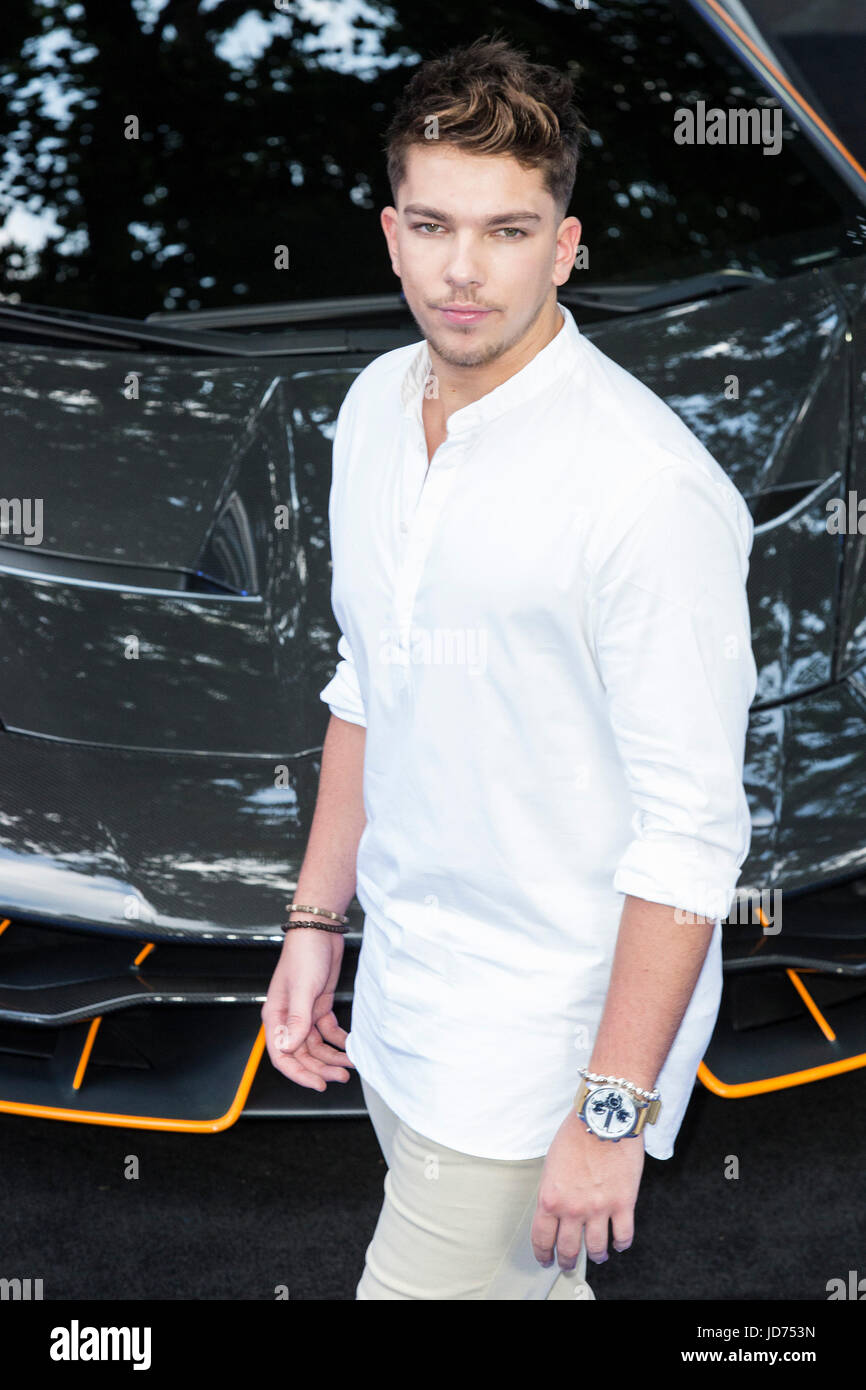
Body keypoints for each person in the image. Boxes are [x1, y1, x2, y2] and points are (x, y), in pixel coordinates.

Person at [262, 33, 757, 1300]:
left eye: (507, 230)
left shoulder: (645, 491)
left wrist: (607, 1118)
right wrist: (316, 927)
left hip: (541, 1042)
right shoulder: (372, 407)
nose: (464, 271)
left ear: (565, 243)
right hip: (406, 1005)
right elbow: (367, 685)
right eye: (432, 226)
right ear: (389, 233)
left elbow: (692, 836)